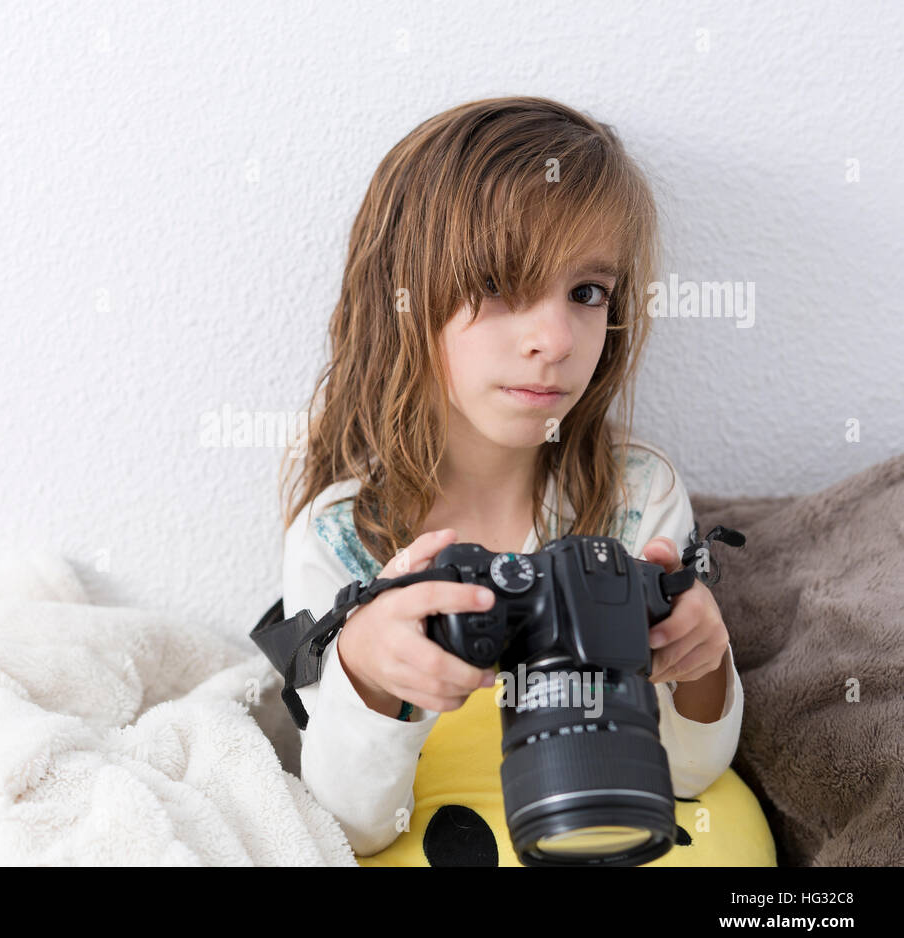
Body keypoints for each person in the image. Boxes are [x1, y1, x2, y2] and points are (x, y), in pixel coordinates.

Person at [276, 96, 747, 863]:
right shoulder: (337, 537)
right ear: (401, 300)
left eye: (587, 292)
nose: (555, 340)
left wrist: (705, 663)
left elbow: (693, 775)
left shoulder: (637, 499)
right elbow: (349, 827)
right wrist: (364, 670)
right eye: (498, 284)